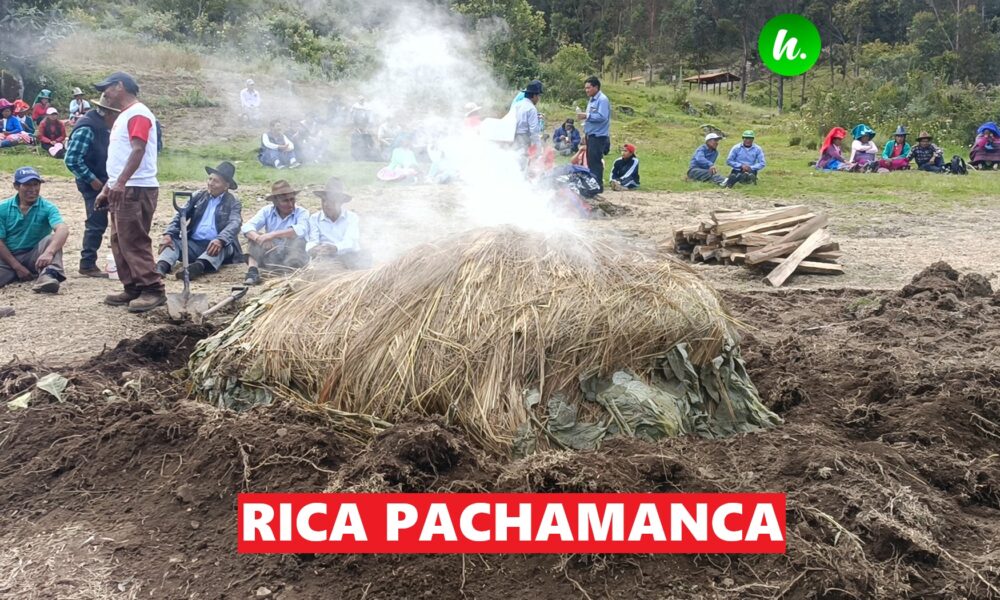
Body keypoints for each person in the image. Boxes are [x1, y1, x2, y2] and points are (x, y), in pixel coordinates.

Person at [93, 71, 164, 313]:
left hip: (136, 187)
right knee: (119, 239)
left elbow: (138, 150)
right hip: (125, 186)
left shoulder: (139, 114)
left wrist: (121, 182)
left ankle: (152, 288)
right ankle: (133, 286)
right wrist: (109, 187)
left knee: (133, 239)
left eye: (107, 88)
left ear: (120, 86)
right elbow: (121, 157)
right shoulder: (127, 116)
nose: (105, 94)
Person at [156, 162, 243, 280]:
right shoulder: (198, 196)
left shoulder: (233, 202)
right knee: (172, 242)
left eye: (216, 181)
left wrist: (220, 239)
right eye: (210, 179)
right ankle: (161, 267)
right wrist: (169, 234)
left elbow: (235, 223)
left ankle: (197, 267)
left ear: (226, 186)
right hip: (193, 244)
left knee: (225, 246)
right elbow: (180, 215)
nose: (210, 183)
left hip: (216, 245)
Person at [64, 95, 119, 277]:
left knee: (102, 221)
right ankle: (87, 264)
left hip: (103, 178)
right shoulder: (88, 127)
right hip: (93, 182)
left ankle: (91, 262)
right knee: (96, 221)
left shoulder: (101, 126)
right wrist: (92, 180)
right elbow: (72, 159)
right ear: (109, 113)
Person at [0, 167, 68, 293]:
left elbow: (62, 228)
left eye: (36, 184)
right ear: (16, 186)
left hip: (34, 255)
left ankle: (49, 276)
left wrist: (49, 252)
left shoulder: (48, 207)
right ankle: (15, 273)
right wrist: (17, 266)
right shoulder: (3, 208)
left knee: (52, 240)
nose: (32, 189)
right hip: (8, 257)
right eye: (27, 185)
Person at [241, 180, 310, 285]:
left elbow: (301, 230)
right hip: (271, 252)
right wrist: (259, 239)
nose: (290, 204)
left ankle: (290, 272)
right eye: (285, 201)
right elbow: (247, 226)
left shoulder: (302, 212)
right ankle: (252, 271)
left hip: (292, 253)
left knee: (299, 241)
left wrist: (271, 235)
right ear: (275, 202)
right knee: (253, 237)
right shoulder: (267, 211)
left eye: (292, 199)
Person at [303, 177, 365, 270]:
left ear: (340, 202)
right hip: (325, 258)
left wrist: (335, 248)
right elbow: (312, 240)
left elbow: (350, 242)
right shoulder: (315, 218)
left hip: (348, 256)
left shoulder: (352, 217)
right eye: (323, 200)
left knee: (364, 260)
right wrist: (313, 249)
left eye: (331, 201)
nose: (326, 204)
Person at [577, 76, 611, 192]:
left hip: (598, 136)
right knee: (590, 161)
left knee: (596, 162)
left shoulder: (602, 100)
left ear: (596, 87)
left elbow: (602, 117)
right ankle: (593, 185)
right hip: (590, 134)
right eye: (585, 88)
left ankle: (598, 186)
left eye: (589, 88)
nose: (586, 90)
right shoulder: (591, 100)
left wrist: (587, 116)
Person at [513, 80, 543, 160]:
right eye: (538, 96)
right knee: (523, 159)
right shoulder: (531, 108)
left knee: (516, 157)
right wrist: (538, 147)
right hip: (524, 137)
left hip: (514, 136)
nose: (538, 99)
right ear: (534, 95)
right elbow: (534, 131)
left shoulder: (517, 105)